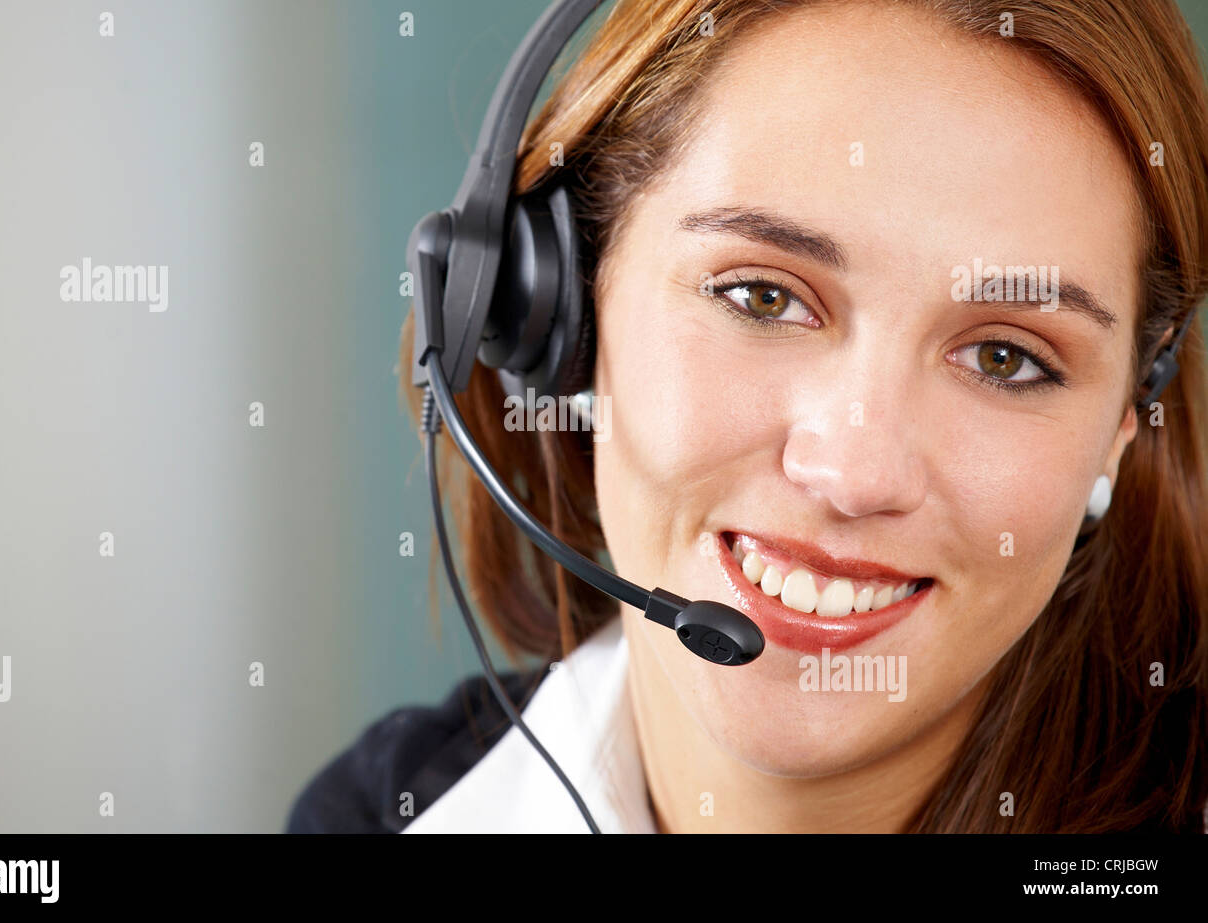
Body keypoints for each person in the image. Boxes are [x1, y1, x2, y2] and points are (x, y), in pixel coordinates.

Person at [289, 0, 1208, 833]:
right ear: (558, 305)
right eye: (763, 296)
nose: (855, 472)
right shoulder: (379, 811)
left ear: (1123, 426)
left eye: (1005, 358)